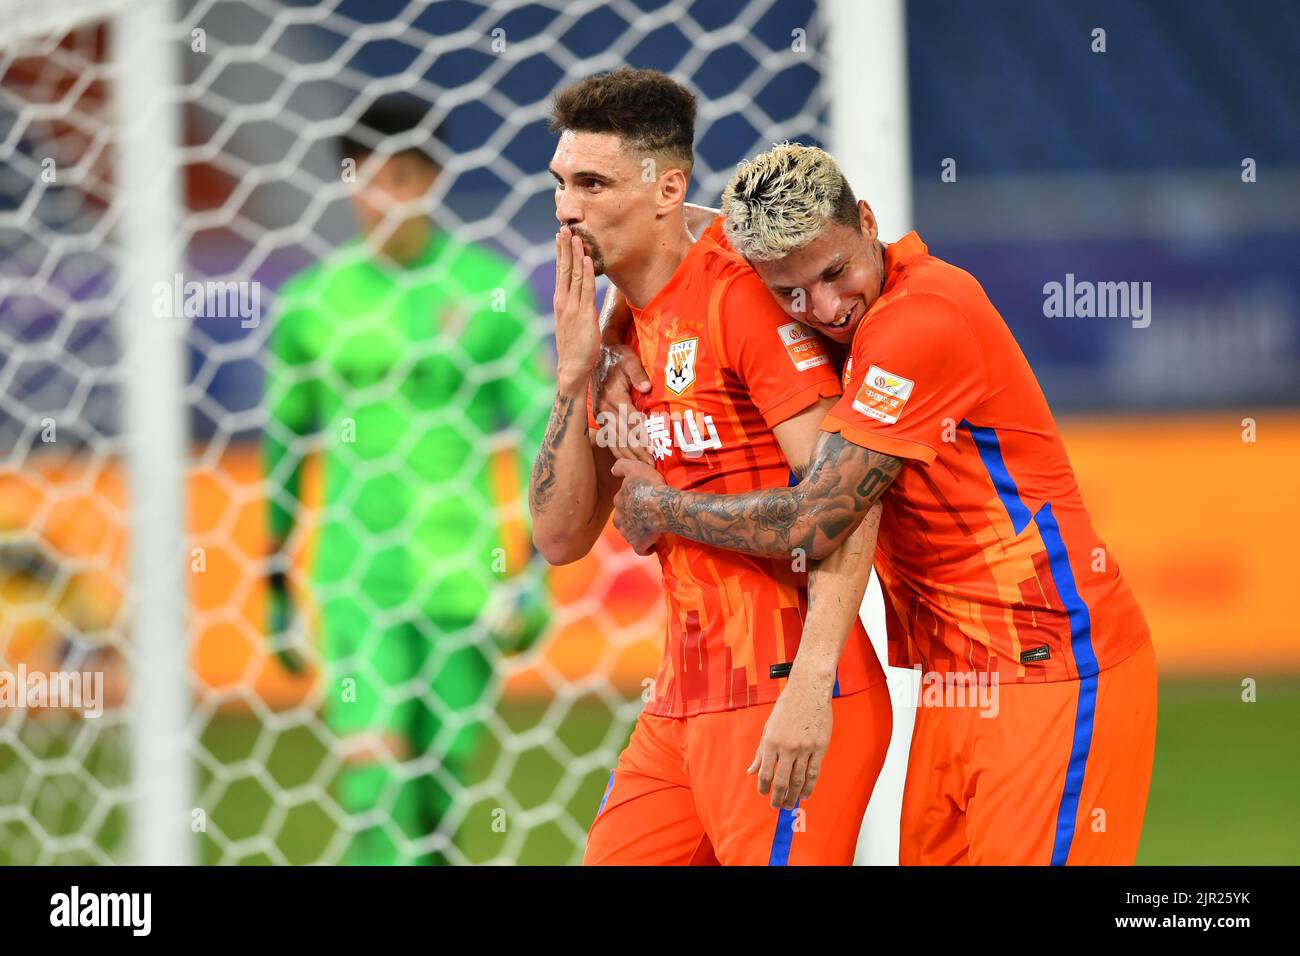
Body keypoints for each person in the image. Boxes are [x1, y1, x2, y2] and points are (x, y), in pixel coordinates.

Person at [611, 143, 1157, 866]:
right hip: (956, 681)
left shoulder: (920, 320)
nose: (825, 309)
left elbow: (817, 519)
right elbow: (694, 234)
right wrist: (616, 318)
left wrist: (662, 509)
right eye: (791, 294)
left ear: (868, 221)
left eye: (835, 272)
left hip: (1051, 661)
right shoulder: (834, 300)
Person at [529, 70, 891, 865]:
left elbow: (847, 501)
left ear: (668, 189)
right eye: (560, 183)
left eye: (593, 185)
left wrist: (811, 687)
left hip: (780, 687)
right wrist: (574, 376)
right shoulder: (617, 333)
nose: (565, 209)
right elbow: (558, 538)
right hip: (680, 704)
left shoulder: (744, 297)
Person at [263, 95, 551, 865]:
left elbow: (539, 433)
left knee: (435, 792)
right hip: (357, 576)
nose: (384, 198)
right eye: (368, 179)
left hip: (464, 573)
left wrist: (533, 567)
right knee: (377, 782)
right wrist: (274, 576)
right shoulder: (311, 303)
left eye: (402, 178)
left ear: (432, 179)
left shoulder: (487, 290)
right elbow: (285, 447)